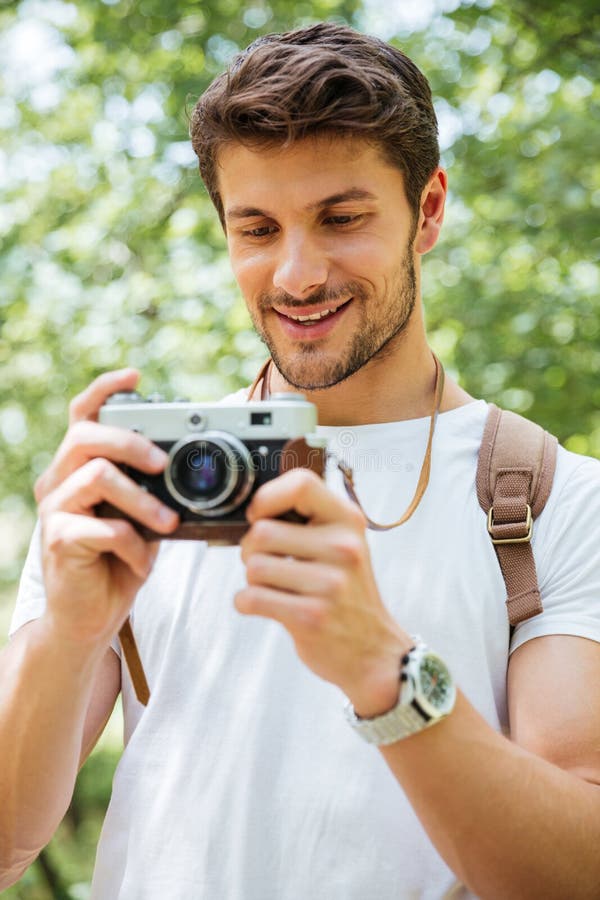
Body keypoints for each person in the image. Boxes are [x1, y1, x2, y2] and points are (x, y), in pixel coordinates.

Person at [1, 21, 599, 899]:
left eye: (341, 219)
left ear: (428, 210)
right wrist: (67, 633)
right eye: (257, 229)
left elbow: (576, 873)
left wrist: (384, 672)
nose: (296, 274)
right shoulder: (134, 482)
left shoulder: (558, 501)